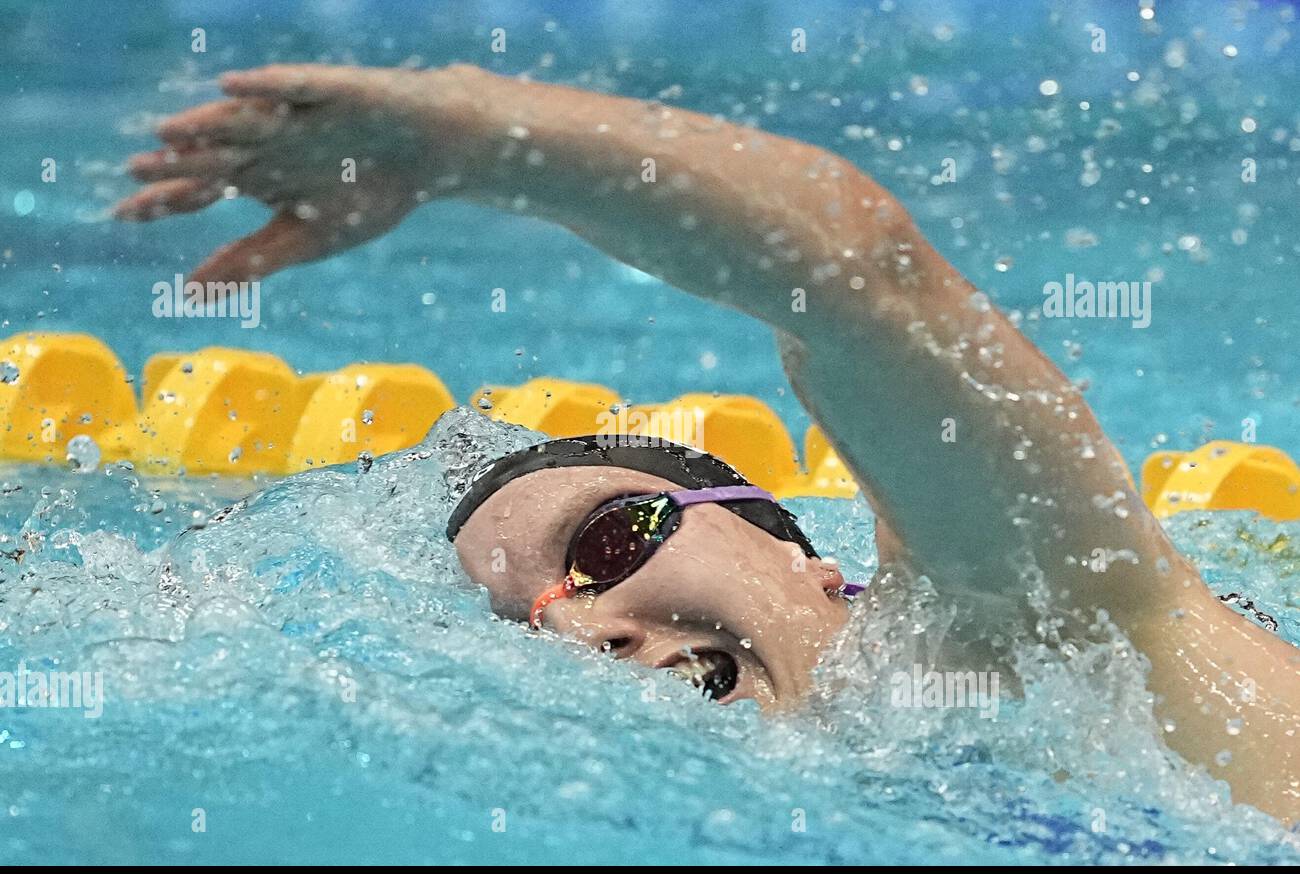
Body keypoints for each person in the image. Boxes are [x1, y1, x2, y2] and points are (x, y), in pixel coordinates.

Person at [114, 63, 1300, 823]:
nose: (582, 624)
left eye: (609, 540)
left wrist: (470, 145)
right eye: (523, 626)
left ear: (801, 550)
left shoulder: (1038, 637)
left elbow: (856, 279)